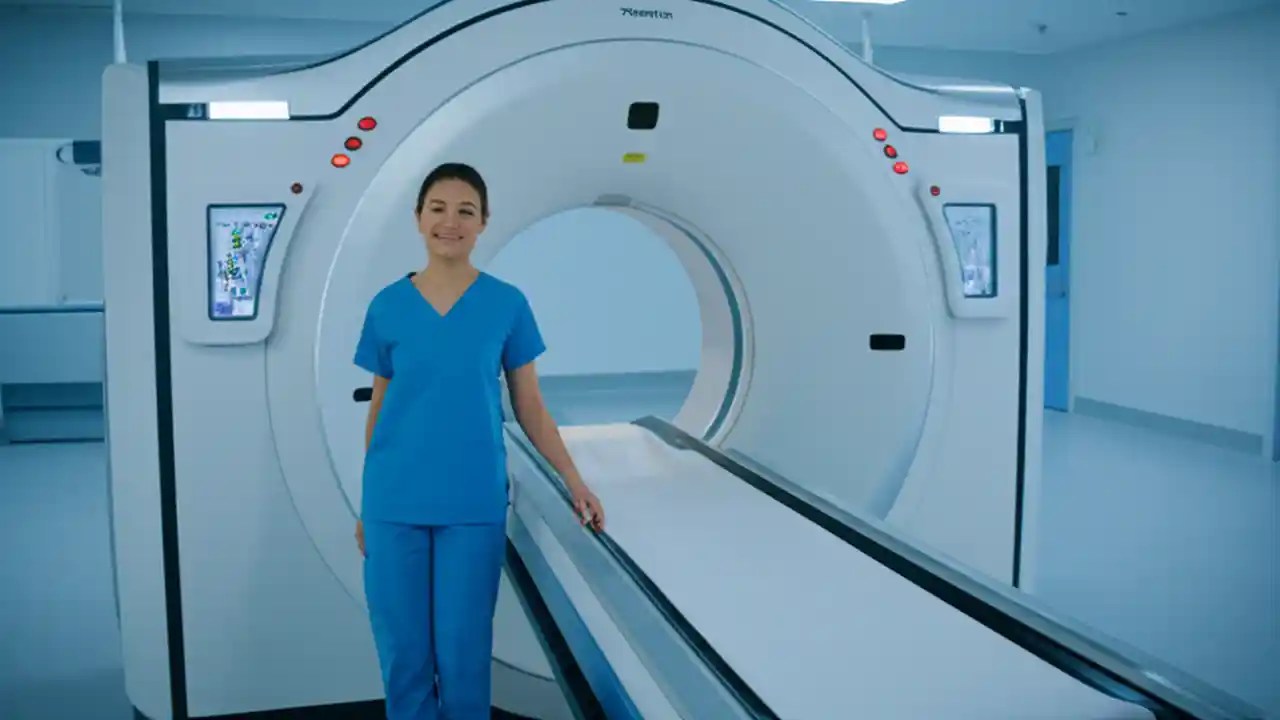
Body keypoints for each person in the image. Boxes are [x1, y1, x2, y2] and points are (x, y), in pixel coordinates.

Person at [352, 161, 605, 719]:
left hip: (472, 504)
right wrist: (367, 505)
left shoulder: (506, 305)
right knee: (404, 657)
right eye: (438, 209)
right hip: (394, 502)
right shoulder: (388, 306)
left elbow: (530, 406)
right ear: (418, 219)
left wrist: (574, 478)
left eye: (465, 211)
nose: (451, 221)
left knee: (464, 656)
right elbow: (380, 407)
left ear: (483, 222)